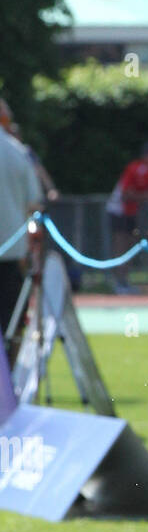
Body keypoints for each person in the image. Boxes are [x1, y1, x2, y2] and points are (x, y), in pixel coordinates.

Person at [0, 119, 42, 356]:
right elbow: (34, 203)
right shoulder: (17, 151)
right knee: (12, 326)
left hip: (12, 252)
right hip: (12, 253)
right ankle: (9, 387)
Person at [106, 141, 148, 293]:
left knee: (131, 245)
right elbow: (126, 194)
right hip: (119, 210)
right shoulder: (135, 168)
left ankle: (124, 280)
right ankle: (118, 282)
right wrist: (146, 196)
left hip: (132, 212)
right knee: (121, 245)